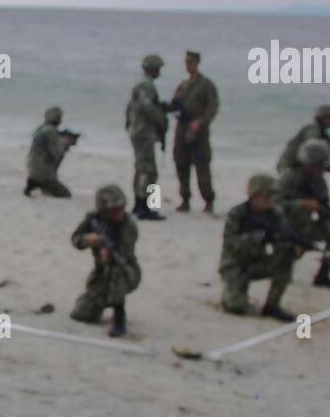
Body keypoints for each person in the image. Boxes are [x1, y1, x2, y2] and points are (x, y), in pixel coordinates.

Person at [219, 174, 299, 320]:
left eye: (272, 196)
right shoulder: (238, 214)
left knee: (286, 258)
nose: (269, 200)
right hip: (235, 264)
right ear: (254, 196)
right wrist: (260, 236)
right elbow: (232, 244)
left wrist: (290, 246)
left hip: (257, 261)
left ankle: (272, 305)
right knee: (235, 307)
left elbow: (283, 236)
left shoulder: (275, 214)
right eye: (265, 196)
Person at [276, 138, 330, 292]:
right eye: (319, 165)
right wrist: (301, 204)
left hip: (305, 226)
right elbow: (274, 205)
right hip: (284, 227)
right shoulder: (289, 177)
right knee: (284, 266)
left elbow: (325, 206)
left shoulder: (318, 181)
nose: (322, 169)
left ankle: (323, 276)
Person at [69, 184, 140, 337]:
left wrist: (108, 254)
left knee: (117, 273)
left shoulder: (128, 225)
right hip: (101, 272)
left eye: (121, 208)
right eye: (114, 210)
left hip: (126, 270)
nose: (119, 213)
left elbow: (125, 254)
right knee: (81, 314)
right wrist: (88, 240)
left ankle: (119, 318)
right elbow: (75, 239)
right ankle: (95, 300)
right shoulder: (93, 220)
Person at [170, 50, 219, 213]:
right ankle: (185, 198)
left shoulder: (206, 85)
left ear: (197, 63)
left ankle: (208, 200)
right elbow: (174, 104)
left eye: (190, 62)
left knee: (202, 166)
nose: (188, 65)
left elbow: (213, 107)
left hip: (199, 131)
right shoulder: (183, 85)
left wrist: (201, 121)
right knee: (181, 163)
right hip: (182, 129)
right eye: (186, 62)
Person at [124, 54, 168, 219]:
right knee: (148, 170)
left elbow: (130, 110)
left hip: (139, 131)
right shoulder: (146, 87)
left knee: (142, 168)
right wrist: (161, 119)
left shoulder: (141, 86)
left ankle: (140, 204)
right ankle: (145, 206)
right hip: (144, 133)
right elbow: (147, 108)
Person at [277, 104, 330, 175]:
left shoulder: (321, 133)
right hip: (291, 167)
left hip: (295, 166)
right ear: (323, 118)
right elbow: (312, 147)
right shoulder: (312, 129)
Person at [25, 106, 76, 198]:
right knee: (66, 195)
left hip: (33, 170)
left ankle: (34, 185)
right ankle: (44, 187)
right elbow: (57, 154)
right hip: (44, 174)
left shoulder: (40, 129)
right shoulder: (51, 132)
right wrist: (66, 142)